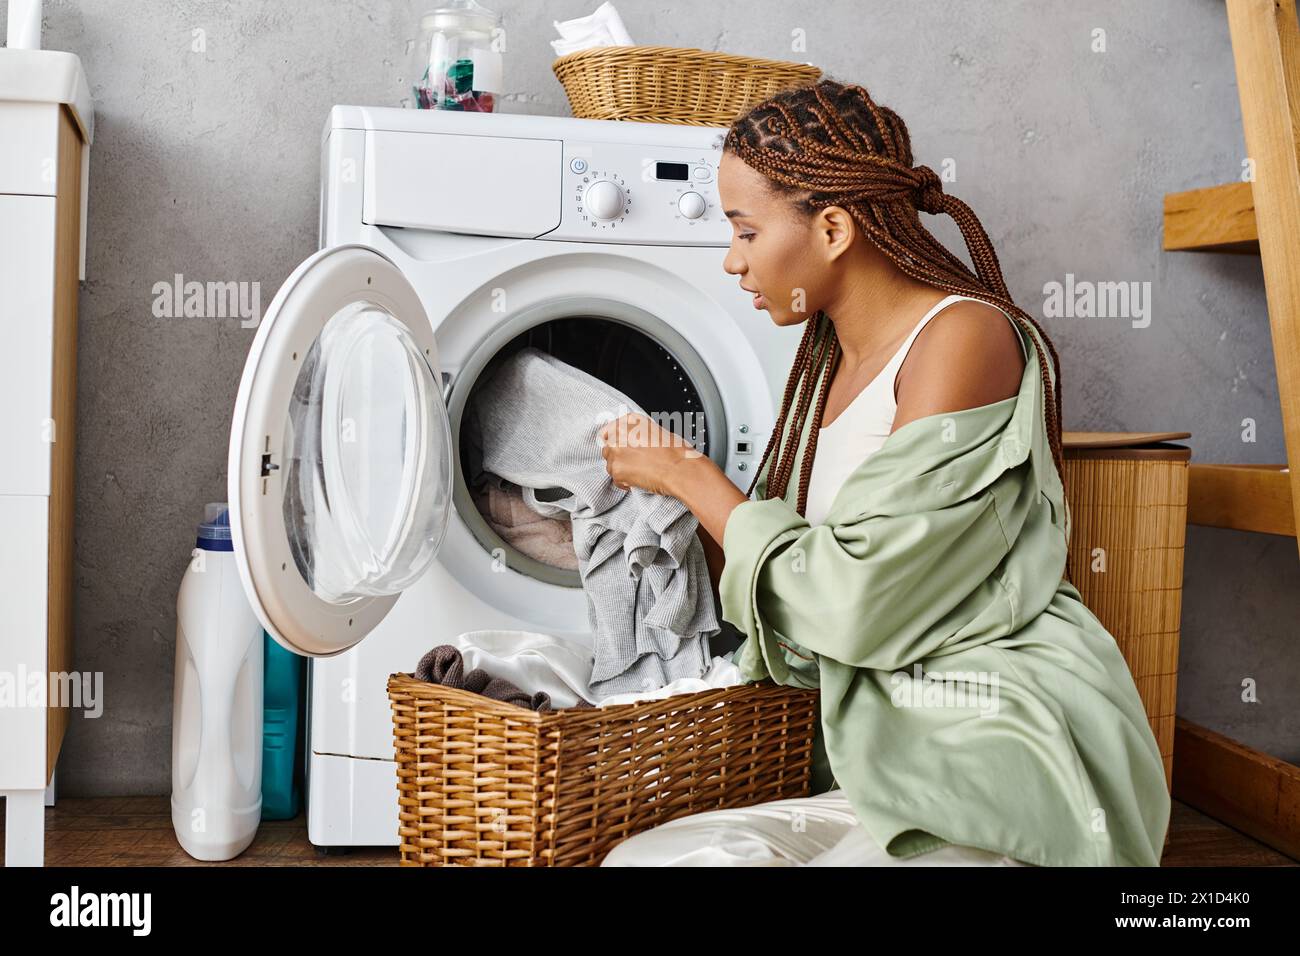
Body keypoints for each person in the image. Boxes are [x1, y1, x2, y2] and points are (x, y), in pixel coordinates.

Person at [596, 78, 1170, 867]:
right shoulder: (822, 364)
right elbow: (791, 600)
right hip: (873, 757)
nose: (732, 261)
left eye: (745, 231)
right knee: (641, 862)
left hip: (994, 737)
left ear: (831, 228)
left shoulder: (964, 337)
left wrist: (691, 477)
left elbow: (857, 602)